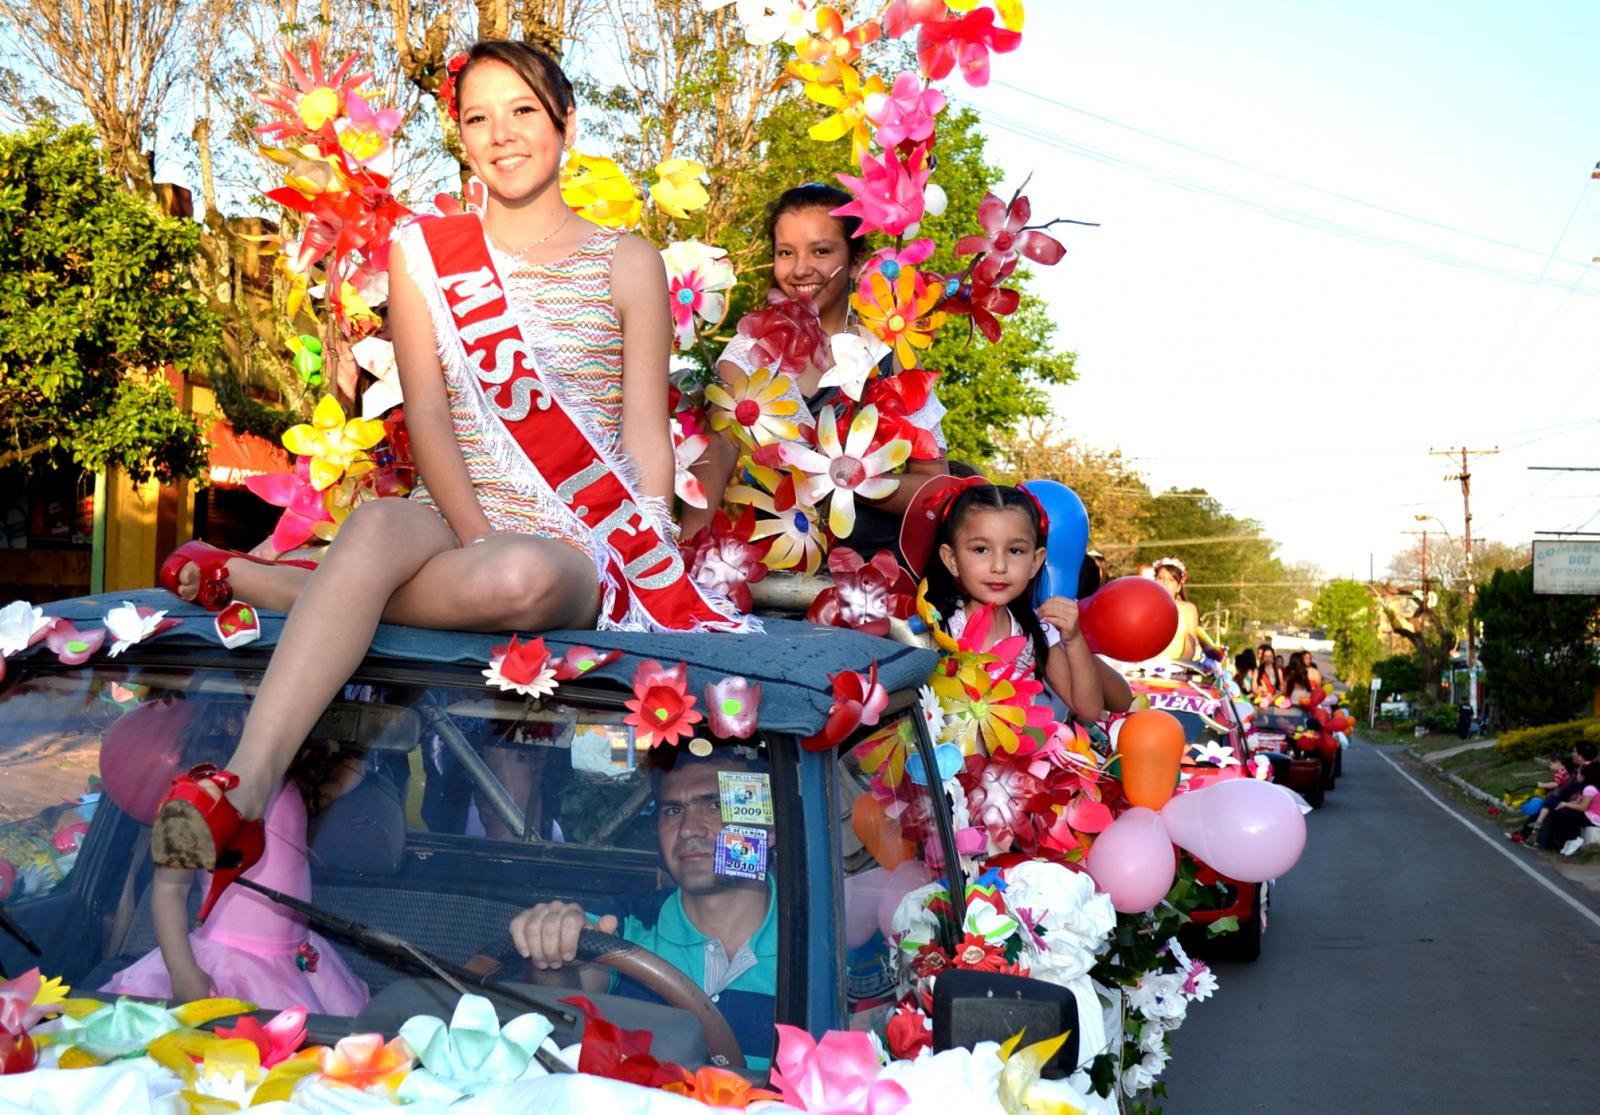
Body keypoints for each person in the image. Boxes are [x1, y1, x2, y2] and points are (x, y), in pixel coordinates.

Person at [148, 39, 748, 913]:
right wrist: (471, 534)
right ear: (460, 135)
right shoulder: (424, 253)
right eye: (477, 117)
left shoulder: (629, 262)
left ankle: (289, 591)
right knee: (381, 525)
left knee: (519, 572)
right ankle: (241, 787)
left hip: (579, 541)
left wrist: (648, 557)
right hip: (456, 512)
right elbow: (427, 414)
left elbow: (644, 437)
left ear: (565, 124)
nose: (501, 135)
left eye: (523, 113)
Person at [681, 182, 948, 555]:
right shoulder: (749, 354)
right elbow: (719, 448)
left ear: (856, 260)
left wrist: (850, 479)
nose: (801, 269)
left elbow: (936, 489)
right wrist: (685, 553)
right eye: (786, 252)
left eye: (821, 251)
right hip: (773, 572)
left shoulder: (891, 357)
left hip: (878, 579)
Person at [508, 745, 777, 1067]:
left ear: (770, 829)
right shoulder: (623, 923)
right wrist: (552, 949)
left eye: (716, 805)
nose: (689, 829)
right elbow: (565, 1010)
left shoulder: (817, 948)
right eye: (673, 811)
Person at [103, 748, 370, 1012]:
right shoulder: (203, 794)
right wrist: (182, 971)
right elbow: (170, 888)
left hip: (297, 960)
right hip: (231, 967)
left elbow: (353, 769)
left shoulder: (298, 781)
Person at [901, 477, 1129, 720]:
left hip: (1020, 755)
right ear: (951, 559)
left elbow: (1089, 710)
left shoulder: (1036, 631)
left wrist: (1073, 640)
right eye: (981, 549)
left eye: (1015, 551)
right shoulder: (935, 627)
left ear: (1036, 562)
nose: (999, 566)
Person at [1534, 742, 1600, 851]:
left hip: (1591, 814)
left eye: (1574, 751)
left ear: (1580, 755)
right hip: (1583, 807)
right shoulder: (1584, 770)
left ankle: (1546, 841)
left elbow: (1578, 798)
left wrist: (1564, 802)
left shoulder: (1589, 773)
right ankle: (1542, 839)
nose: (1572, 754)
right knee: (1552, 805)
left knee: (1554, 807)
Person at [1150, 558, 1207, 661]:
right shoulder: (1146, 607)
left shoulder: (1188, 609)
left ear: (1178, 586)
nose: (1165, 583)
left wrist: (1181, 665)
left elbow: (1190, 645)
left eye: (1171, 580)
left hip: (1176, 669)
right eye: (1160, 578)